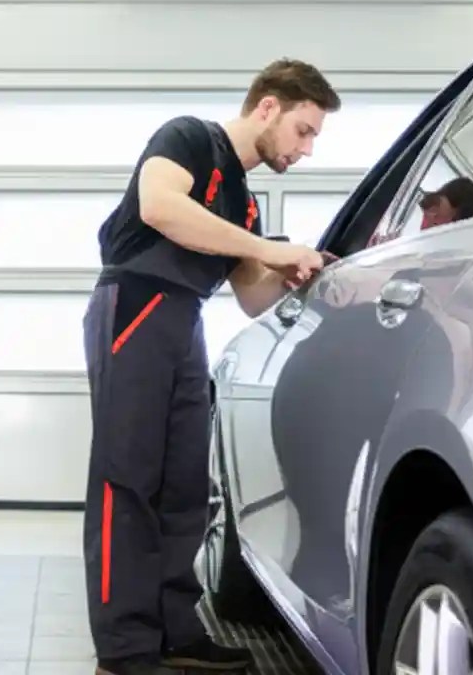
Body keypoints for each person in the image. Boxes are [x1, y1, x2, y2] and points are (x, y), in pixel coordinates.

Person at [82, 58, 340, 675]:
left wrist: (306, 269)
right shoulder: (189, 137)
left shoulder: (242, 204)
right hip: (136, 306)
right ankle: (125, 647)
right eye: (304, 131)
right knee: (128, 480)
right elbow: (159, 207)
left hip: (184, 320)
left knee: (185, 489)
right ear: (269, 107)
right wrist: (266, 249)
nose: (306, 151)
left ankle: (175, 630)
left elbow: (252, 295)